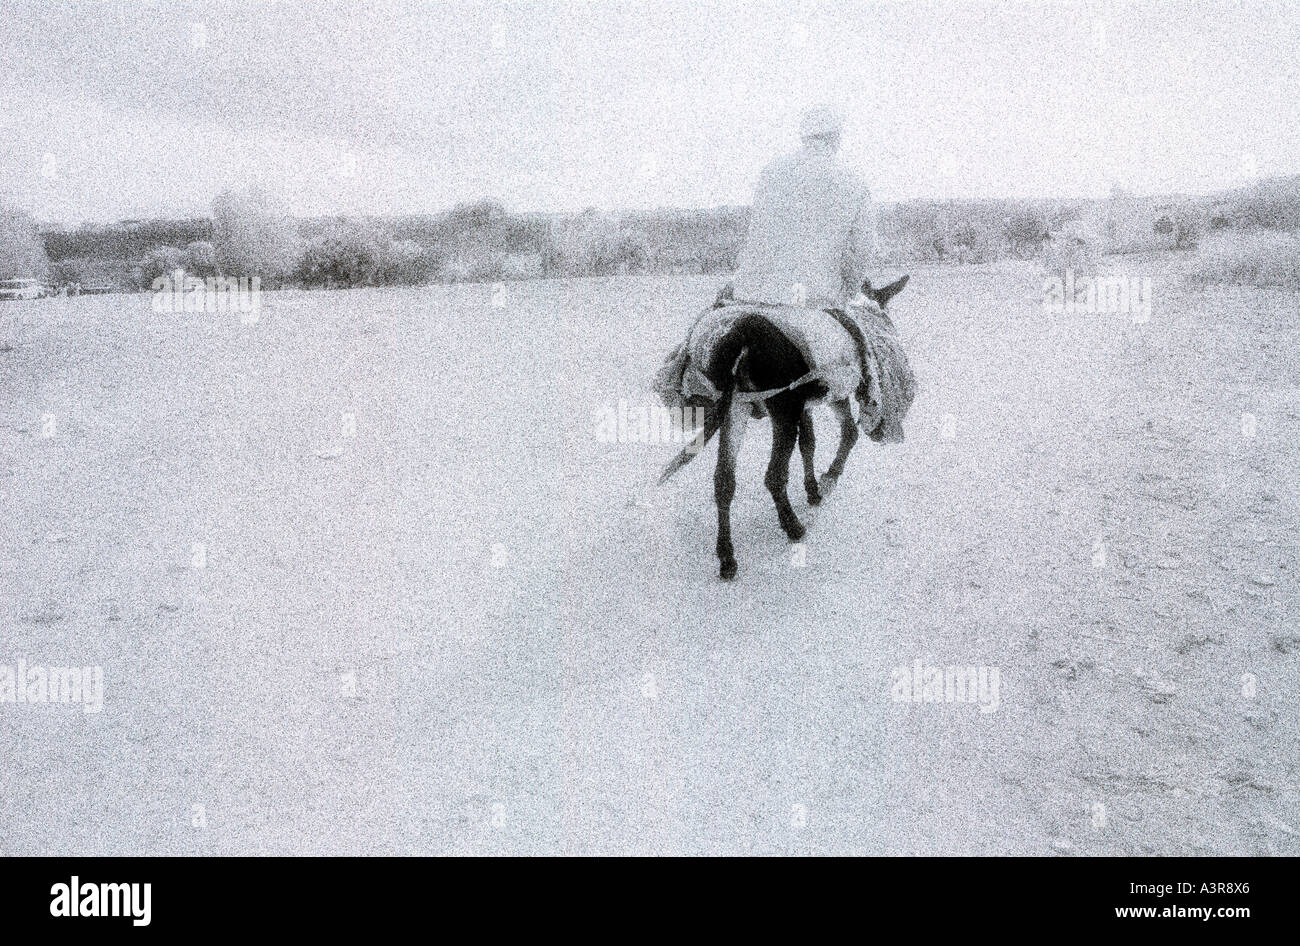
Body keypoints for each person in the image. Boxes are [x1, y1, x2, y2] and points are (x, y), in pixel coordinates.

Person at [728, 106, 875, 310]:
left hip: (751, 293)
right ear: (836, 138)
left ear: (804, 137)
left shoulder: (770, 171)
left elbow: (757, 232)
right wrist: (849, 291)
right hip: (811, 297)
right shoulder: (853, 181)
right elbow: (863, 248)